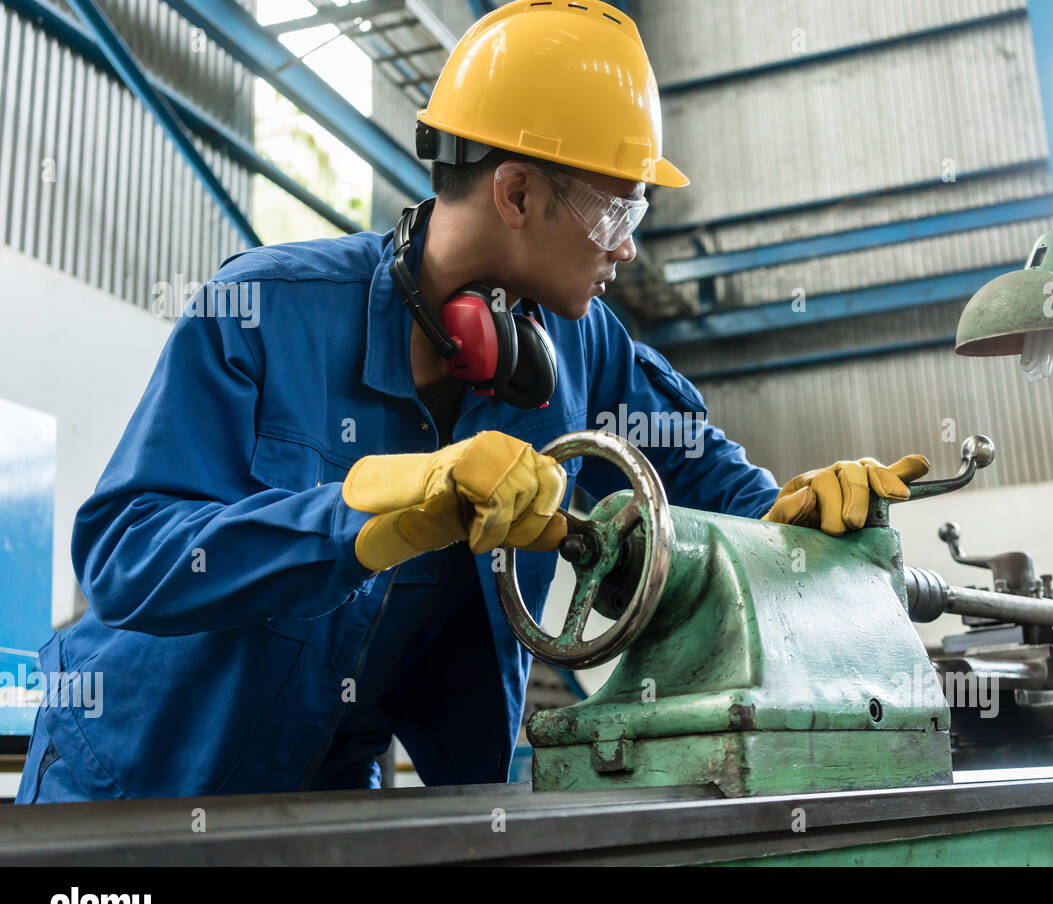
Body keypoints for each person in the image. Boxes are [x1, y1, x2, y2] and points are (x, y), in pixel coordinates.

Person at [16, 0, 928, 803]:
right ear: (518, 191)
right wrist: (359, 522)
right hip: (142, 780)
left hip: (328, 798)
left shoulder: (582, 347)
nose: (629, 252)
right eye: (620, 213)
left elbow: (725, 492)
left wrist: (805, 514)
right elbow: (122, 555)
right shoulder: (264, 311)